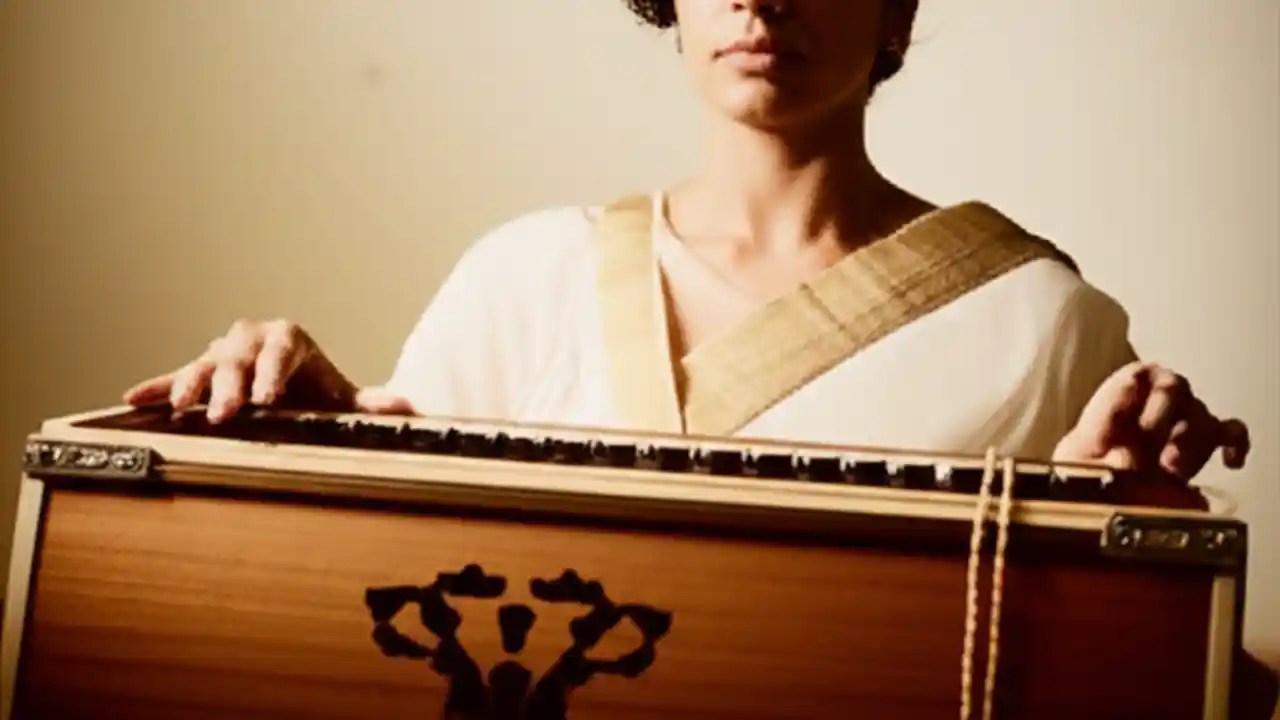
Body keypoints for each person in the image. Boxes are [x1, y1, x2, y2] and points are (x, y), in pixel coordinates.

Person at [122, 2, 1272, 710]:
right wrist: (301, 414)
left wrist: (1108, 519)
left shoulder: (1039, 320)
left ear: (895, 9)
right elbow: (385, 591)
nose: (757, 0)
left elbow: (1119, 672)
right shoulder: (524, 273)